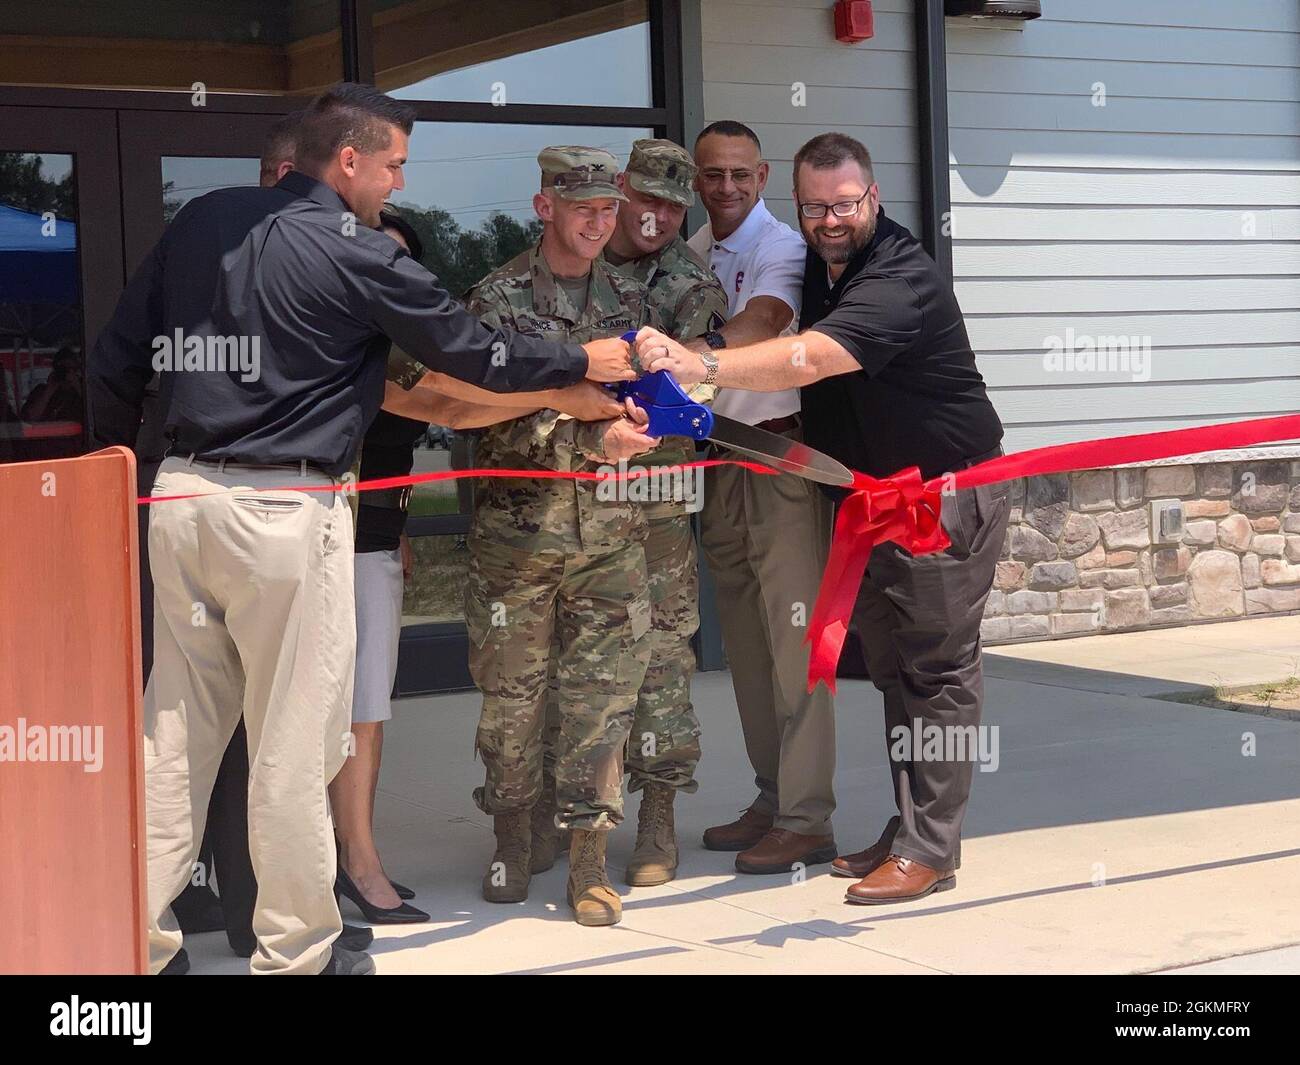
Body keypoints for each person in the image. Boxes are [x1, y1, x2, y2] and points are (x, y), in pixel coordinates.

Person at [87, 83, 638, 976]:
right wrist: (582, 358)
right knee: (296, 744)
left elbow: (116, 358)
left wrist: (124, 480)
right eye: (394, 166)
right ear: (348, 160)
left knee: (175, 741)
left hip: (179, 502)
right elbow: (471, 348)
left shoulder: (201, 223)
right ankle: (299, 953)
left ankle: (136, 949)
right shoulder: (359, 252)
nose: (395, 185)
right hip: (286, 512)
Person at [635, 131, 1009, 904]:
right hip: (868, 499)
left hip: (940, 497)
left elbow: (806, 357)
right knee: (898, 673)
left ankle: (931, 848)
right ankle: (910, 830)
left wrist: (697, 364)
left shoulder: (898, 276)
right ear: (799, 205)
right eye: (817, 207)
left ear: (872, 196)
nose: (831, 218)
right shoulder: (825, 270)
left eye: (845, 203)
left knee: (938, 673)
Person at [462, 146, 660, 927]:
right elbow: (478, 409)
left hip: (613, 538)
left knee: (601, 705)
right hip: (520, 544)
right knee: (512, 705)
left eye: (608, 208)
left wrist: (646, 425)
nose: (597, 220)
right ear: (545, 205)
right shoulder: (497, 298)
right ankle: (514, 834)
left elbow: (660, 398)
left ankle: (588, 862)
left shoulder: (633, 296)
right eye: (581, 206)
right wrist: (584, 432)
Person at [682, 120, 838, 874]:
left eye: (741, 174)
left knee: (794, 645)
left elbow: (765, 322)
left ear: (763, 175)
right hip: (720, 462)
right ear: (696, 179)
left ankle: (809, 817)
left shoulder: (782, 246)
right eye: (713, 174)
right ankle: (773, 798)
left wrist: (689, 363)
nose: (728, 187)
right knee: (746, 647)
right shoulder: (695, 253)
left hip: (779, 460)